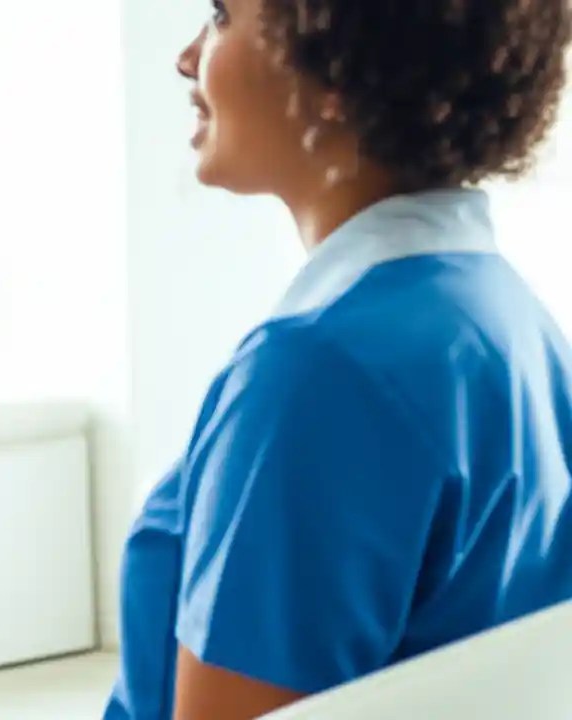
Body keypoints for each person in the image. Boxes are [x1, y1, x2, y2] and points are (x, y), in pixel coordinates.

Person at [107, 1, 572, 718]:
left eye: (222, 16)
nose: (187, 57)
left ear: (335, 72)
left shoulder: (315, 375)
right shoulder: (510, 321)